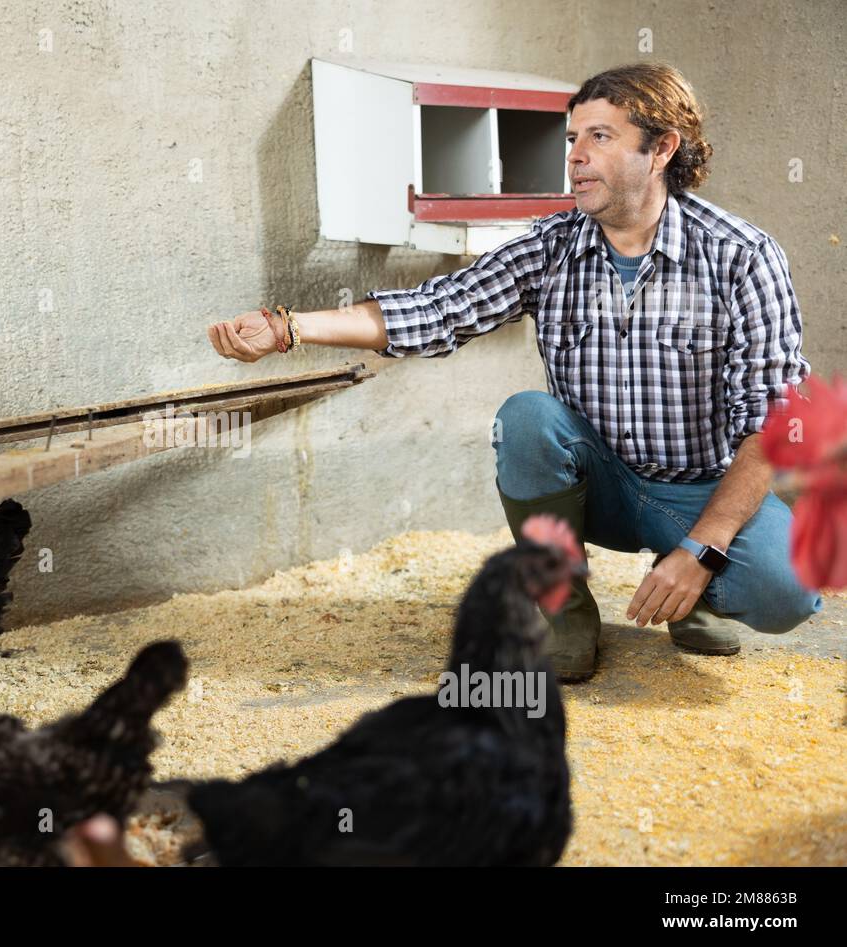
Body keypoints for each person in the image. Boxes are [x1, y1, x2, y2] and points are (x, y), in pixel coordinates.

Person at [207, 62, 822, 681]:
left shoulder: (742, 255)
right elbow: (437, 309)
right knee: (527, 419)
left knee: (788, 593)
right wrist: (288, 329)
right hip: (598, 483)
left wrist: (701, 547)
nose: (575, 157)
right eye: (571, 140)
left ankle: (690, 583)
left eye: (599, 138)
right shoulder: (550, 246)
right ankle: (563, 608)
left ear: (661, 148)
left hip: (697, 490)